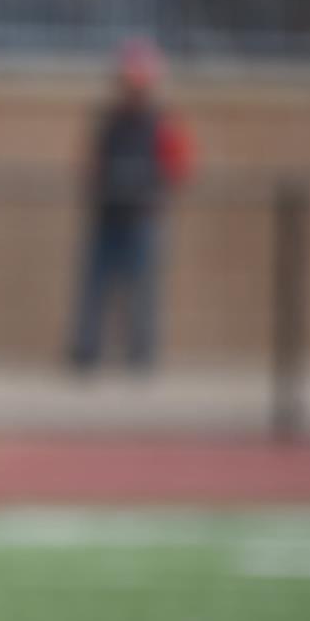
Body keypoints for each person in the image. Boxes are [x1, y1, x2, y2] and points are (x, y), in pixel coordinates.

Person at [68, 37, 196, 372]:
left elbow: (178, 168)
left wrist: (153, 188)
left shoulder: (160, 123)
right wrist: (100, 182)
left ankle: (141, 356)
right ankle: (86, 352)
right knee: (95, 288)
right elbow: (90, 165)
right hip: (108, 216)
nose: (132, 90)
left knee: (142, 293)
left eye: (138, 84)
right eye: (127, 83)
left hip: (142, 217)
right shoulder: (109, 122)